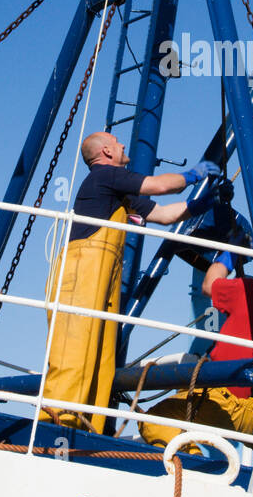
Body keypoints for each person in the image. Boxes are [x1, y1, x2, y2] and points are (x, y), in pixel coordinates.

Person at [42, 131, 218, 431]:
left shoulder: (117, 191)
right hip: (82, 269)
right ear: (107, 152)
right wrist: (193, 175)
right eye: (118, 142)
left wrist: (202, 204)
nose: (124, 145)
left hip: (100, 272)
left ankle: (88, 427)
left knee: (101, 354)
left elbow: (163, 214)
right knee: (74, 347)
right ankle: (54, 424)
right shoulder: (105, 176)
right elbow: (160, 186)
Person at [139, 253, 253, 452]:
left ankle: (191, 462)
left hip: (223, 401)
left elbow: (209, 285)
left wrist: (228, 256)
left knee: (154, 420)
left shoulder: (250, 291)